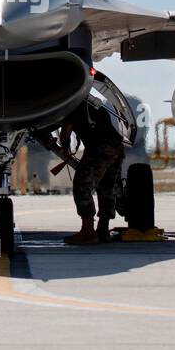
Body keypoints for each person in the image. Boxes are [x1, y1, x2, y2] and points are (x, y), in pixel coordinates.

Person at [57, 100, 125, 245]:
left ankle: (87, 231)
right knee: (107, 188)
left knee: (82, 185)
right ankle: (103, 230)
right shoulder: (94, 105)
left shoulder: (72, 105)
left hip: (99, 148)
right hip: (116, 148)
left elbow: (65, 134)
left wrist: (65, 147)